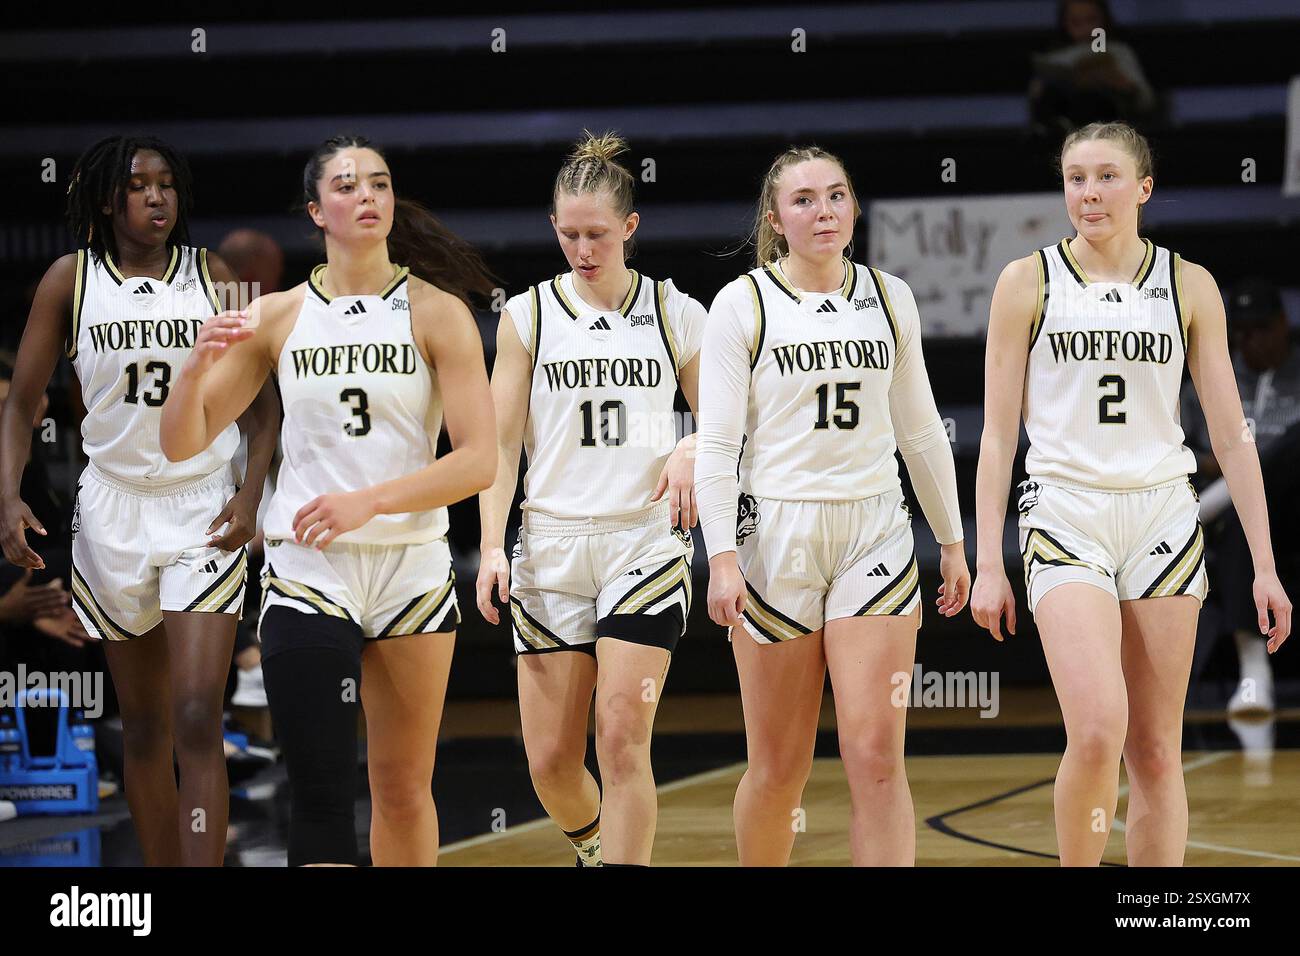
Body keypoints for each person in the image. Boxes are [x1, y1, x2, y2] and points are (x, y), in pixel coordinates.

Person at [160, 134, 497, 866]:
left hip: (410, 568)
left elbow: (479, 459)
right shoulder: (277, 316)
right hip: (309, 572)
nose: (367, 195)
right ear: (316, 210)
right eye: (346, 186)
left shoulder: (438, 312)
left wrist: (371, 501)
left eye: (378, 183)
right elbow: (183, 443)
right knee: (319, 788)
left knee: (404, 787)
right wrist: (191, 371)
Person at [971, 121, 1292, 866]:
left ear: (1143, 188)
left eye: (1107, 176)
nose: (1089, 193)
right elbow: (994, 438)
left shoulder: (1189, 284)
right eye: (1076, 177)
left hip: (1162, 516)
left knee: (1154, 749)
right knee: (1096, 730)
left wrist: (1267, 566)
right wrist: (990, 561)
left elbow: (1232, 436)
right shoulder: (1027, 282)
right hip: (1064, 512)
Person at [0, 135, 279, 866]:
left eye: (168, 185)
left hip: (201, 506)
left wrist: (250, 498)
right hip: (113, 510)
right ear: (104, 199)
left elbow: (262, 409)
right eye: (138, 185)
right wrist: (6, 496)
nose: (158, 197)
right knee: (147, 727)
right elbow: (21, 402)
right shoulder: (70, 280)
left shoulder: (214, 275)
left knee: (196, 715)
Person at [694, 146, 968, 866]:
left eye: (837, 195)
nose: (824, 211)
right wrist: (720, 558)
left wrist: (953, 540)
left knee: (876, 755)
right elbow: (716, 444)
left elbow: (919, 427)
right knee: (779, 770)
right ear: (776, 219)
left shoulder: (890, 295)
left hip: (874, 529)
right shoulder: (743, 303)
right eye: (806, 199)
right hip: (774, 535)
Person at [476, 132, 704, 867]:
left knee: (619, 735)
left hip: (643, 541)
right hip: (550, 546)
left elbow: (732, 423)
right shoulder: (529, 316)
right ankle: (598, 847)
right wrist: (488, 547)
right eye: (569, 233)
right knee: (547, 764)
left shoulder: (673, 312)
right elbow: (496, 448)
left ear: (630, 228)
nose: (583, 248)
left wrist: (692, 447)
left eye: (598, 233)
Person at [1180, 278, 1300, 714]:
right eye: (1242, 333)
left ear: (1283, 325)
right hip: (1235, 517)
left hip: (1292, 507)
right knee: (1241, 521)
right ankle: (1255, 674)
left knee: (1285, 448)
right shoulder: (1215, 375)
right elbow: (1174, 441)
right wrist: (1212, 462)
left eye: (1260, 330)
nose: (1250, 341)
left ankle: (1224, 492)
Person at [1030, 0, 1158, 135]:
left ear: (1105, 19)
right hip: (1064, 127)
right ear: (1064, 24)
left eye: (1091, 20)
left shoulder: (1118, 52)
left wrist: (1126, 86)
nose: (1086, 28)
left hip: (1107, 124)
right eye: (1076, 22)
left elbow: (1147, 100)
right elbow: (1036, 101)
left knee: (1091, 101)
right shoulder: (1054, 58)